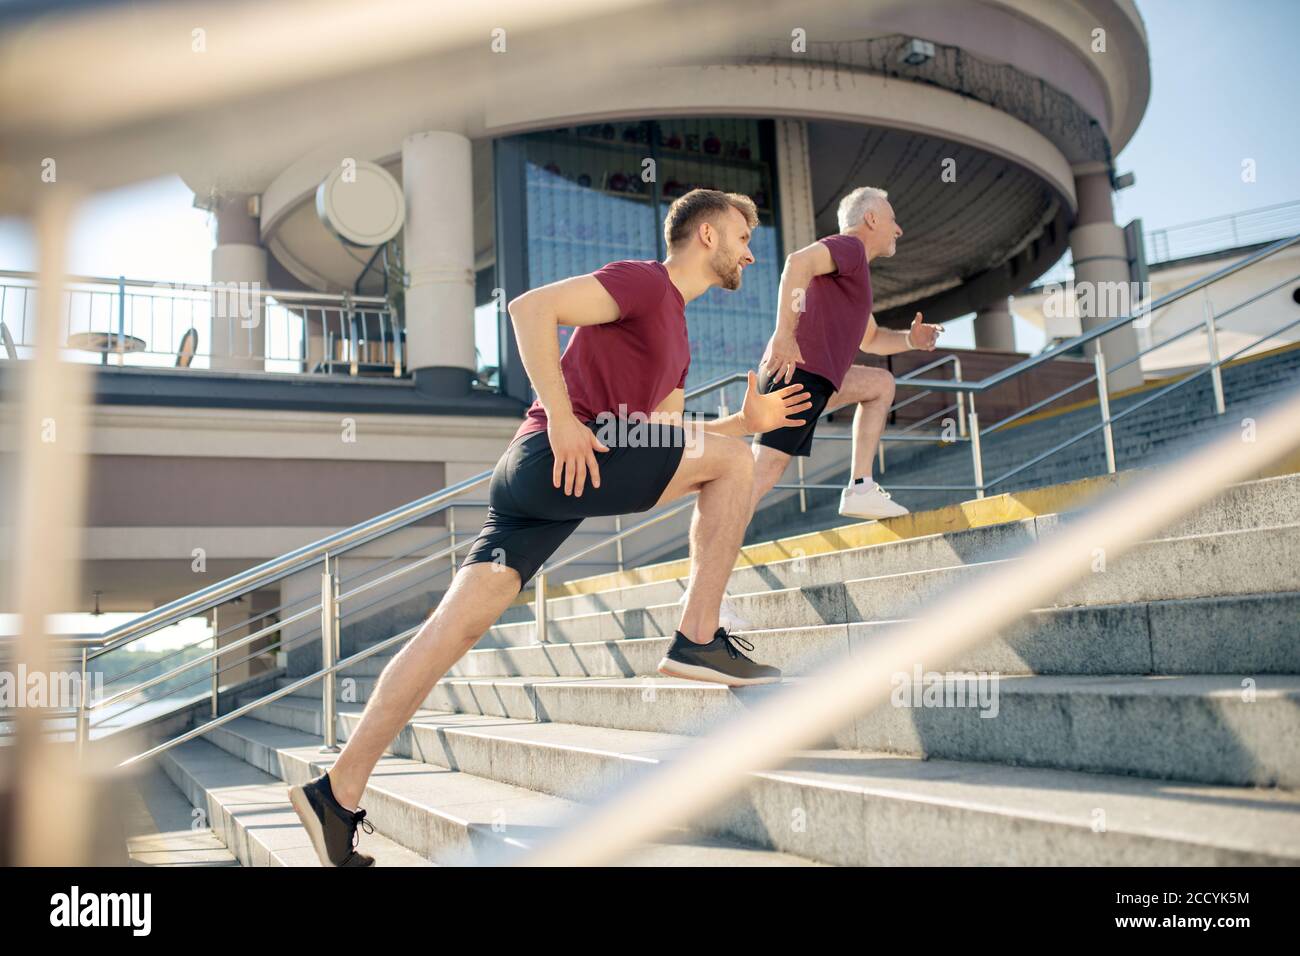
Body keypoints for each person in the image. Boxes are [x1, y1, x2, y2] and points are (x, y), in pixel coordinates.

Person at [288, 189, 813, 866]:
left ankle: (336, 794)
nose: (750, 248)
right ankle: (697, 637)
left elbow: (659, 441)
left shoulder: (677, 340)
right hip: (554, 454)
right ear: (706, 235)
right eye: (743, 233)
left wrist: (745, 425)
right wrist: (564, 419)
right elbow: (530, 308)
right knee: (733, 465)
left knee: (452, 631)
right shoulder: (642, 283)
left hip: (542, 481)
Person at [754, 186, 945, 520]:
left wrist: (911, 340)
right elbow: (796, 263)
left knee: (880, 384)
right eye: (893, 220)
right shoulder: (851, 248)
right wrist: (784, 335)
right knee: (758, 478)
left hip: (817, 378)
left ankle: (861, 488)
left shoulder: (853, 273)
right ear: (870, 218)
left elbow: (870, 339)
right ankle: (707, 556)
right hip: (798, 374)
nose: (898, 229)